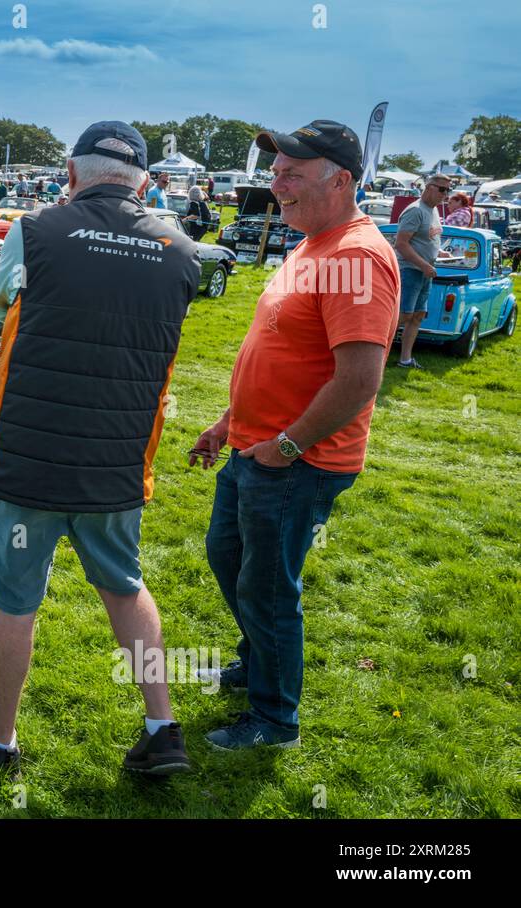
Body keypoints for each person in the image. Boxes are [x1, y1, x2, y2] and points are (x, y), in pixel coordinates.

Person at [0, 121, 203, 776]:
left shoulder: (37, 227)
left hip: (27, 458)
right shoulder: (180, 250)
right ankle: (162, 727)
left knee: (15, 600)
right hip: (117, 459)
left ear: (71, 174)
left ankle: (4, 741)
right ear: (147, 184)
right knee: (125, 588)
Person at [190, 119, 399, 750]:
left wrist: (286, 447)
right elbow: (279, 349)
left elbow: (360, 379)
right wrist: (229, 424)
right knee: (229, 559)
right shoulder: (312, 243)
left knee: (269, 585)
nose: (277, 184)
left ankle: (274, 719)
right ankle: (256, 665)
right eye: (275, 171)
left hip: (297, 461)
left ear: (340, 180)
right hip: (259, 447)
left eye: (292, 173)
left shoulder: (356, 256)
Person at [392, 174, 450, 368]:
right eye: (442, 189)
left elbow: (426, 239)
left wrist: (439, 253)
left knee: (417, 315)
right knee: (403, 315)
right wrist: (424, 265)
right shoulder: (416, 210)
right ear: (430, 187)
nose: (445, 194)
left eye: (448, 190)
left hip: (424, 271)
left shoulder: (432, 211)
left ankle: (405, 359)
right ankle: (373, 356)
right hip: (410, 270)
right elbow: (401, 244)